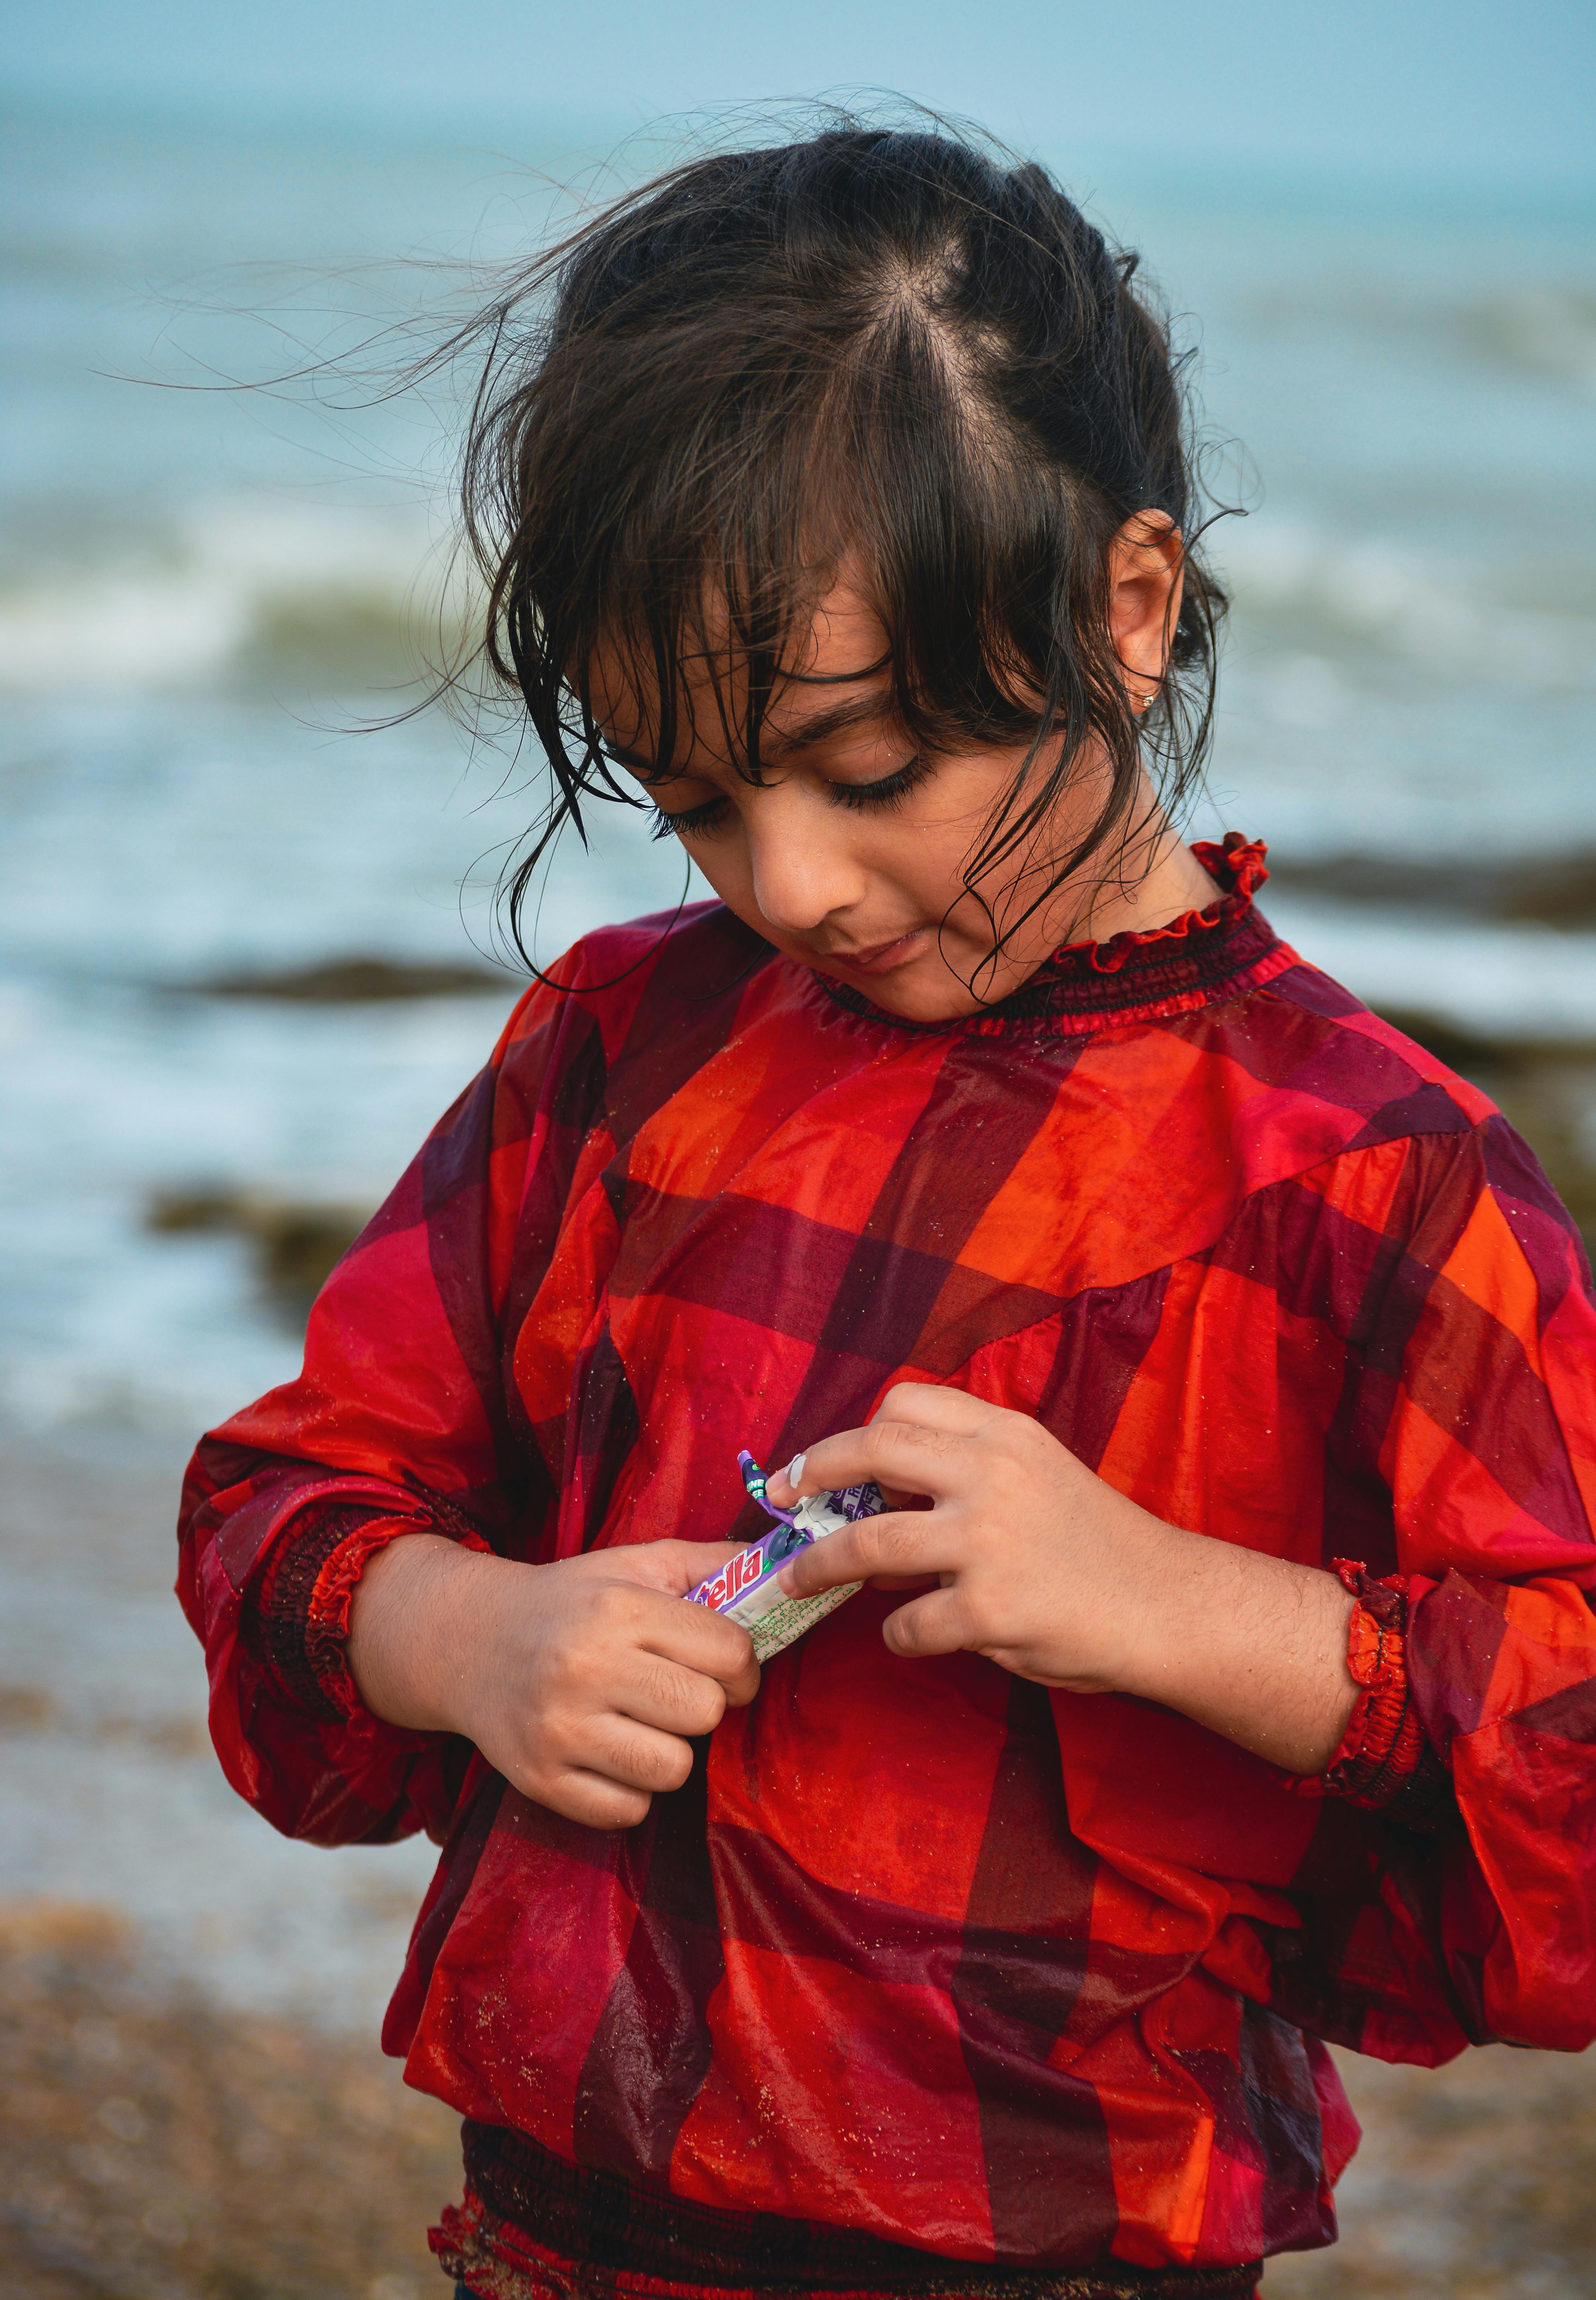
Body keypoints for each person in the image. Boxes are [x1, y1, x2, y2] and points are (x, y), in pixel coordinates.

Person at [177, 121, 1596, 2300]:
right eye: (700, 801)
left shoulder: (1370, 1184)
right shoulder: (621, 1050)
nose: (793, 886)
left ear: (1122, 610)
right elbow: (283, 1504)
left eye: (862, 773)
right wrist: (467, 1635)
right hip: (554, 2236)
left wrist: (1173, 1602)